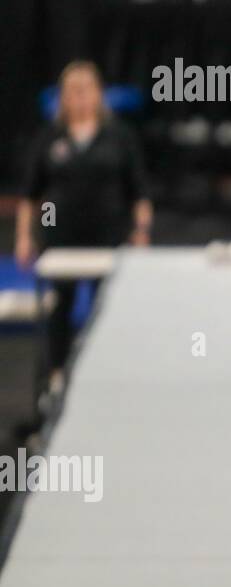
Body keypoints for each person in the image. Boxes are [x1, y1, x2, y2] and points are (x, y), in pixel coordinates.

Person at [15, 61, 152, 392]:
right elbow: (33, 195)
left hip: (108, 234)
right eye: (72, 92)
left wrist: (141, 230)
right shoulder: (51, 137)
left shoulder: (118, 136)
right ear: (63, 98)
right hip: (60, 234)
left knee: (106, 305)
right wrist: (25, 236)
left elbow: (139, 191)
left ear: (98, 95)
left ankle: (106, 370)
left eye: (85, 91)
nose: (79, 99)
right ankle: (58, 372)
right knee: (60, 305)